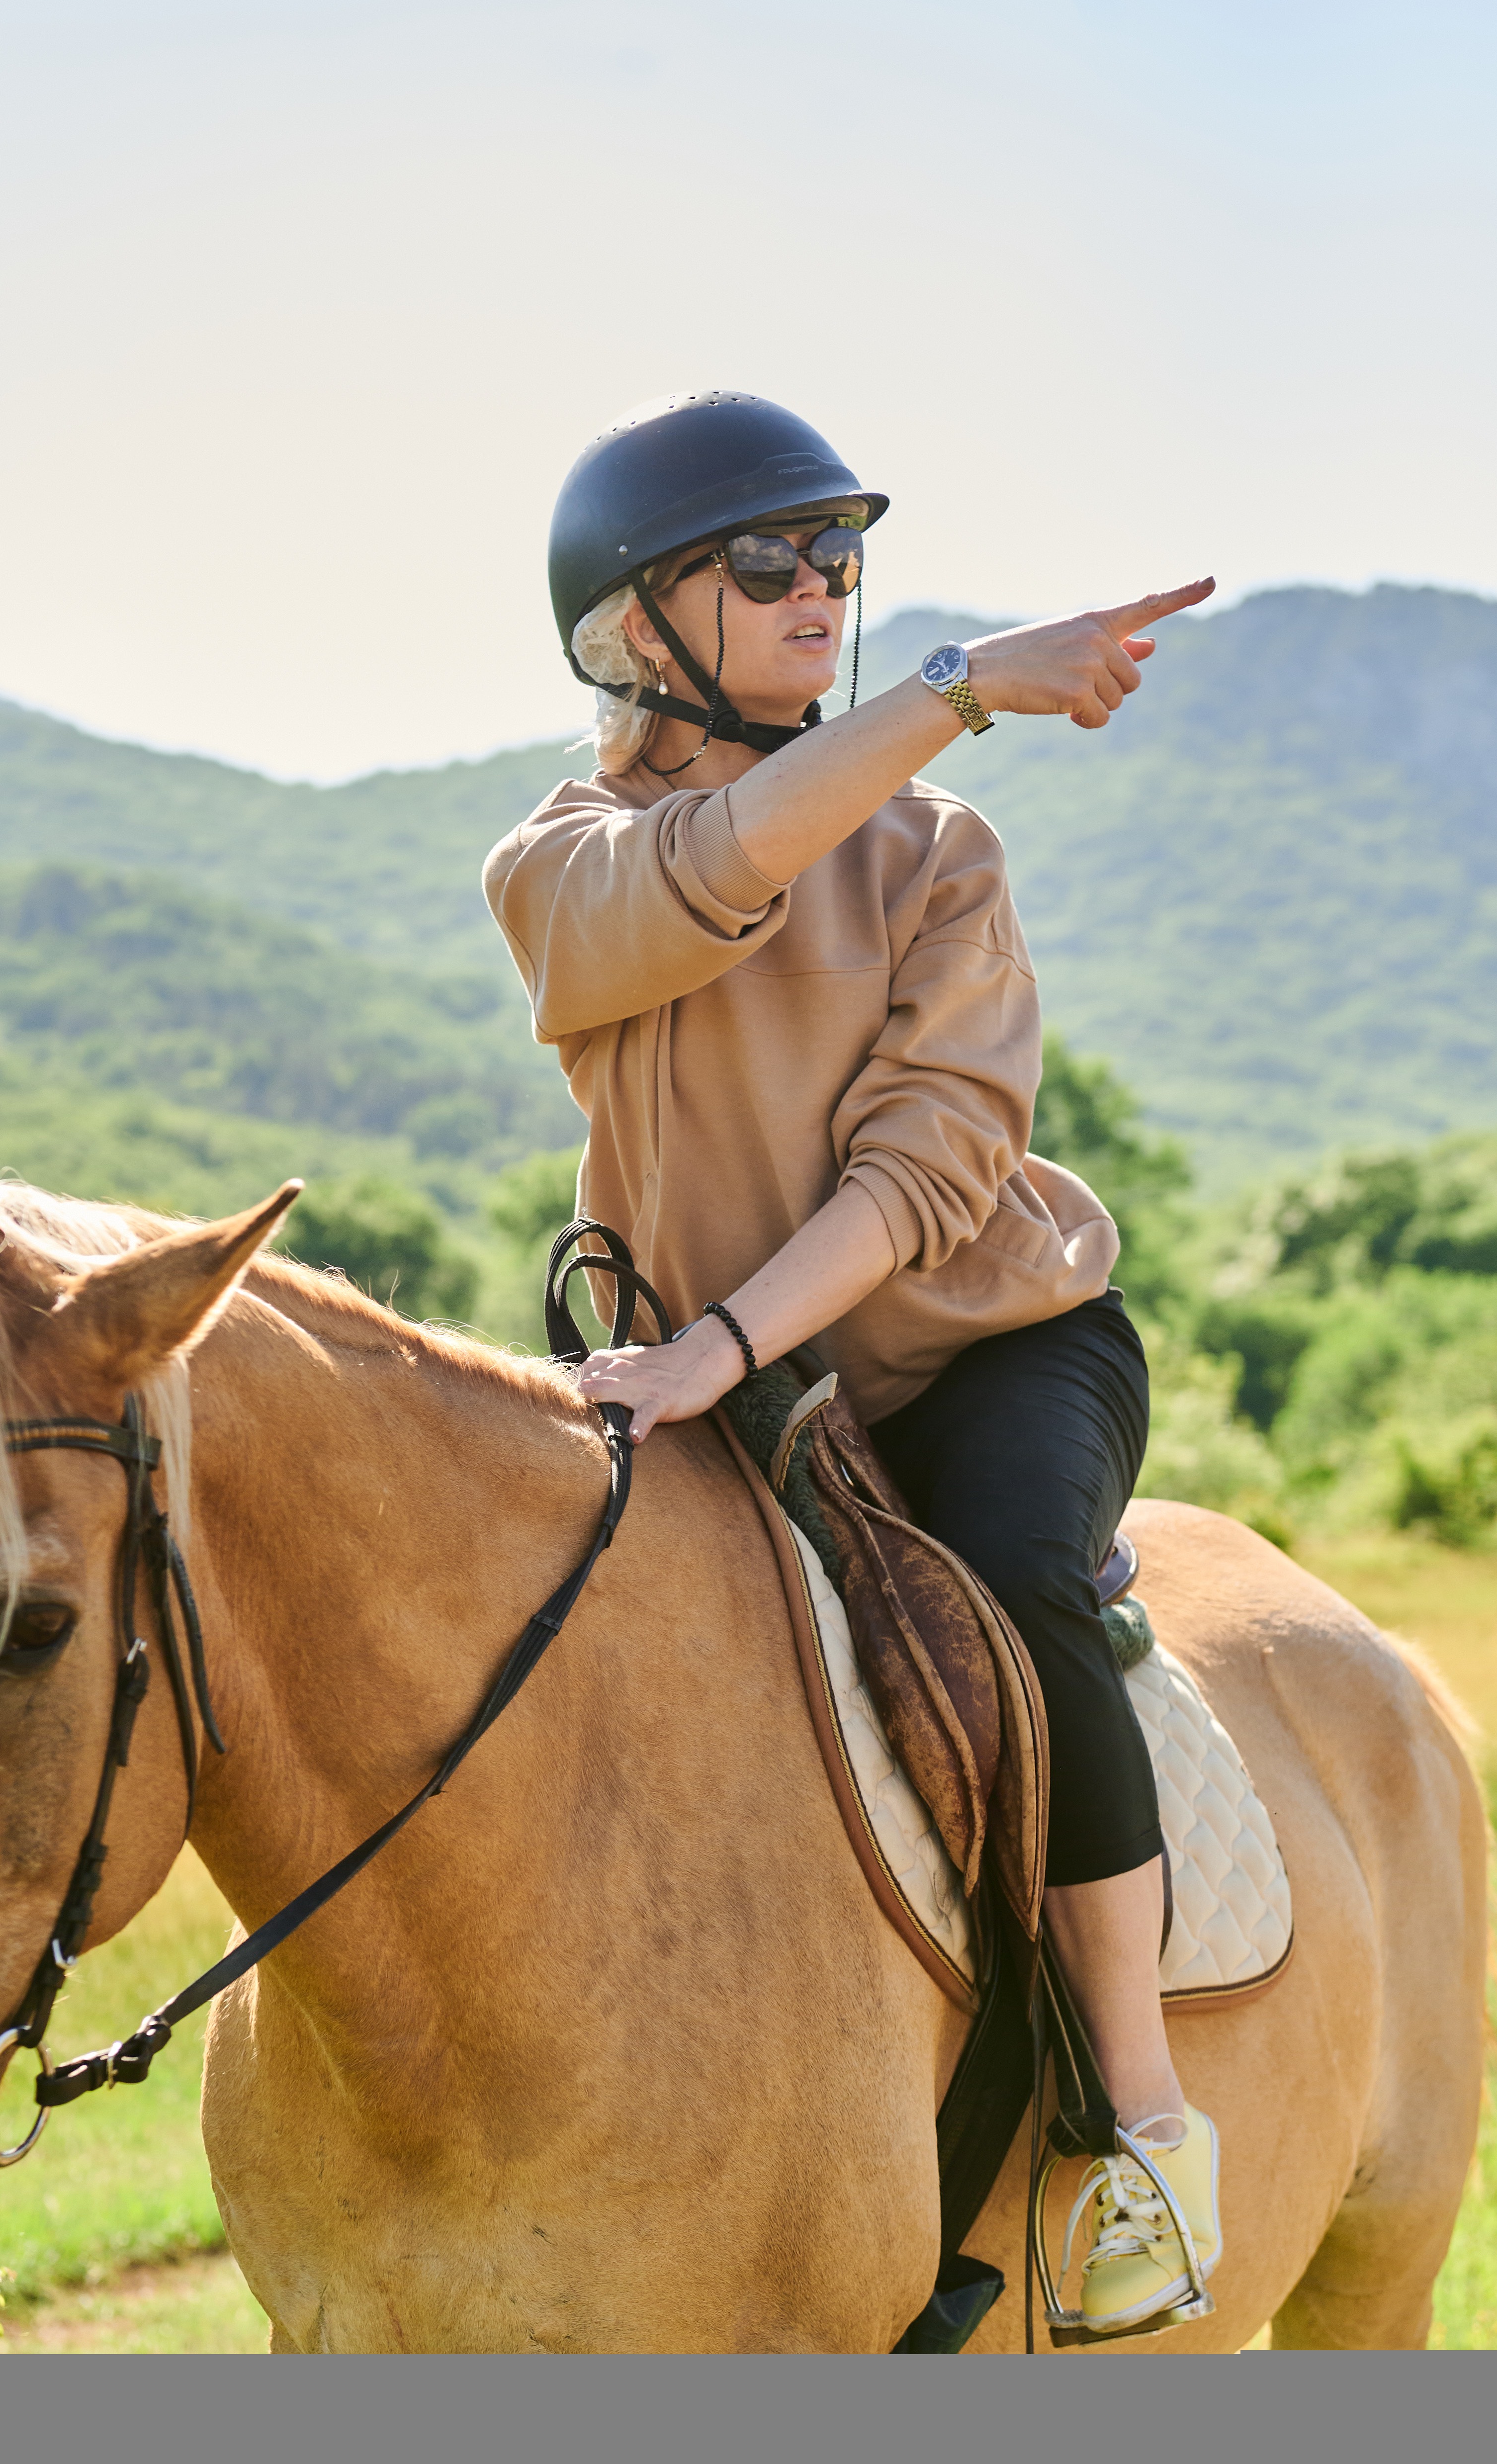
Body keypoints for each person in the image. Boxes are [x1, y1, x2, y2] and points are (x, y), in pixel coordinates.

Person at [483, 388, 1221, 2340]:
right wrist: (961, 682)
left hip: (990, 1349)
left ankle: (1142, 2124)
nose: (823, 591)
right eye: (769, 562)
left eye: (840, 559)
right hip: (707, 1384)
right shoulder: (560, 871)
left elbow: (926, 1175)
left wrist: (720, 1340)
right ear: (638, 625)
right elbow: (707, 878)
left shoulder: (937, 850)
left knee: (1023, 1596)